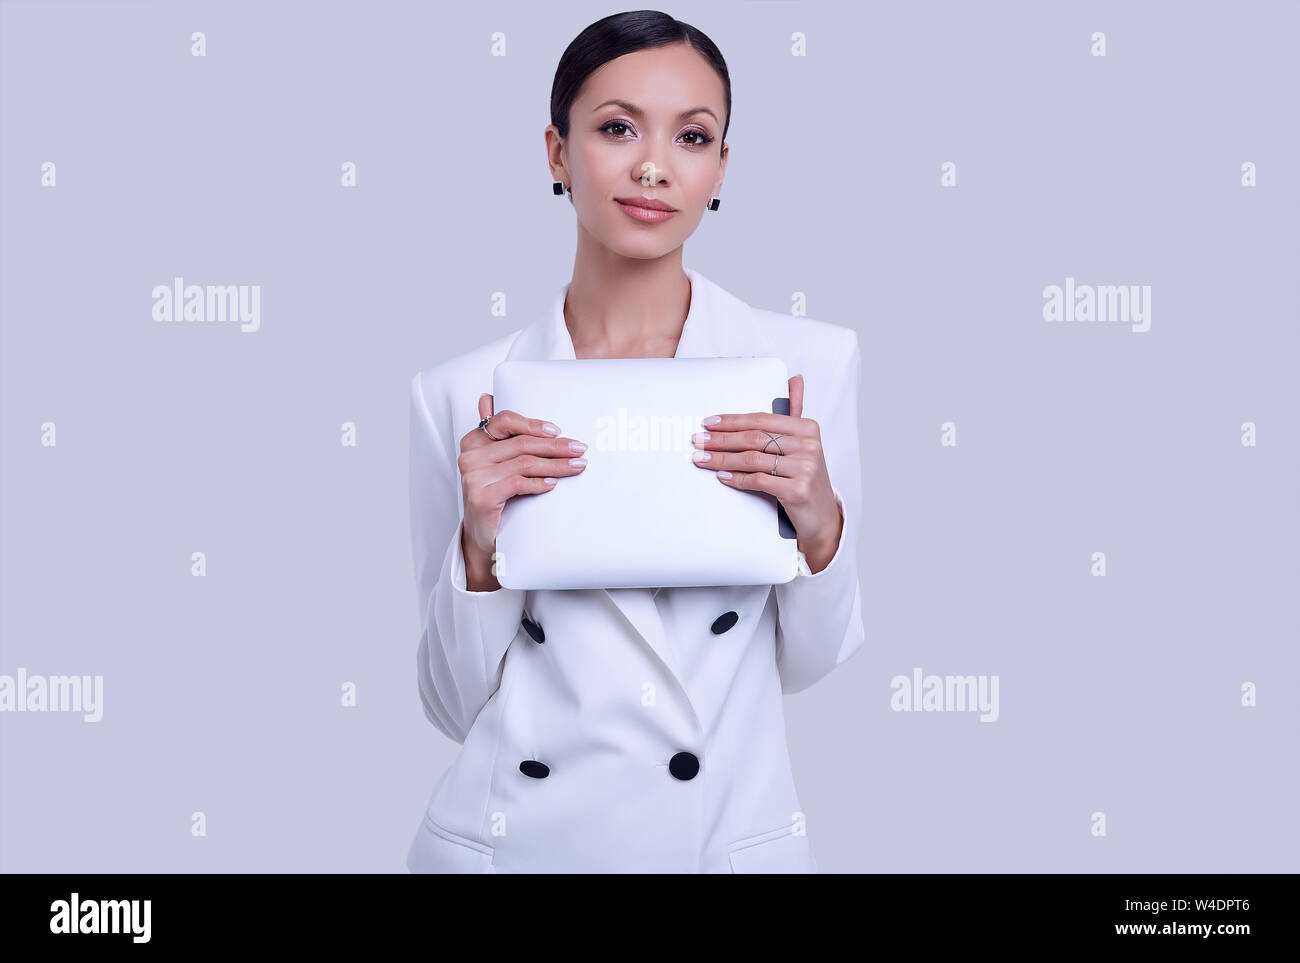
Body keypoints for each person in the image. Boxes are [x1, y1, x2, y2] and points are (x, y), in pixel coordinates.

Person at [406, 9, 864, 873]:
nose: (654, 164)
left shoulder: (808, 365)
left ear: (722, 166)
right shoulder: (459, 393)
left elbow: (813, 660)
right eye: (617, 127)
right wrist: (478, 546)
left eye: (692, 136)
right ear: (556, 151)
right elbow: (447, 701)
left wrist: (821, 523)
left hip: (722, 848)